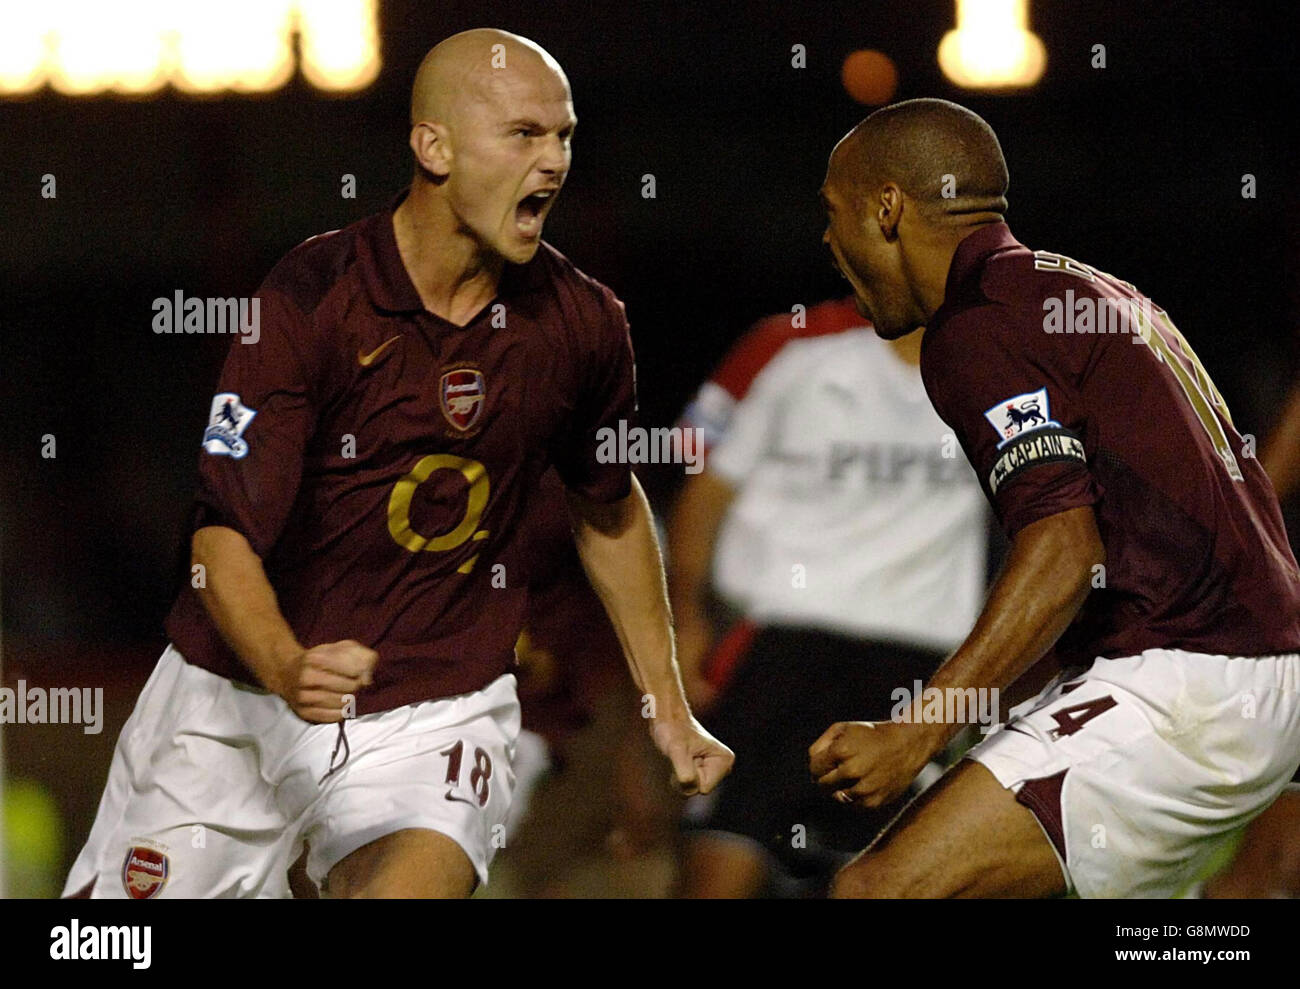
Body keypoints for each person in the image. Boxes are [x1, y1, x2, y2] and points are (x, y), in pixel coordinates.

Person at [63, 28, 730, 900]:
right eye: (524, 134)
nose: (554, 161)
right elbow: (220, 539)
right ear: (434, 146)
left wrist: (668, 709)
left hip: (435, 704)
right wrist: (284, 662)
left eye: (563, 135)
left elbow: (606, 504)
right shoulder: (311, 297)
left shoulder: (582, 324)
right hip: (237, 695)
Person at [813, 97, 1300, 898]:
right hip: (1238, 673)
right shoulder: (1084, 292)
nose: (829, 244)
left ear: (888, 208)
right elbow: (1110, 559)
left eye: (834, 216)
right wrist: (973, 718)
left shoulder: (978, 326)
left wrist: (916, 730)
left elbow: (1066, 550)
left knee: (877, 890)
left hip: (1190, 682)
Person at [667, 297, 989, 897]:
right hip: (780, 646)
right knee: (722, 867)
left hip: (922, 667)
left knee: (883, 880)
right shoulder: (789, 345)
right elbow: (705, 484)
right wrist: (685, 622)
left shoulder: (997, 369)